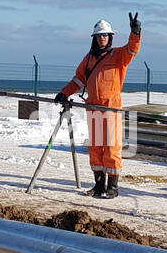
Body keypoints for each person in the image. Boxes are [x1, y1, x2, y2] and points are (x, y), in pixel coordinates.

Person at [55, 12, 141, 198]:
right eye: (99, 36)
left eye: (105, 35)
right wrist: (64, 93)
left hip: (111, 108)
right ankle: (99, 185)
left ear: (110, 37)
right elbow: (78, 80)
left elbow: (132, 50)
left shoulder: (119, 55)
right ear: (94, 38)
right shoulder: (89, 59)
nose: (102, 38)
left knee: (111, 146)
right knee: (95, 147)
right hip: (93, 107)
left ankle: (113, 187)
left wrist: (135, 33)